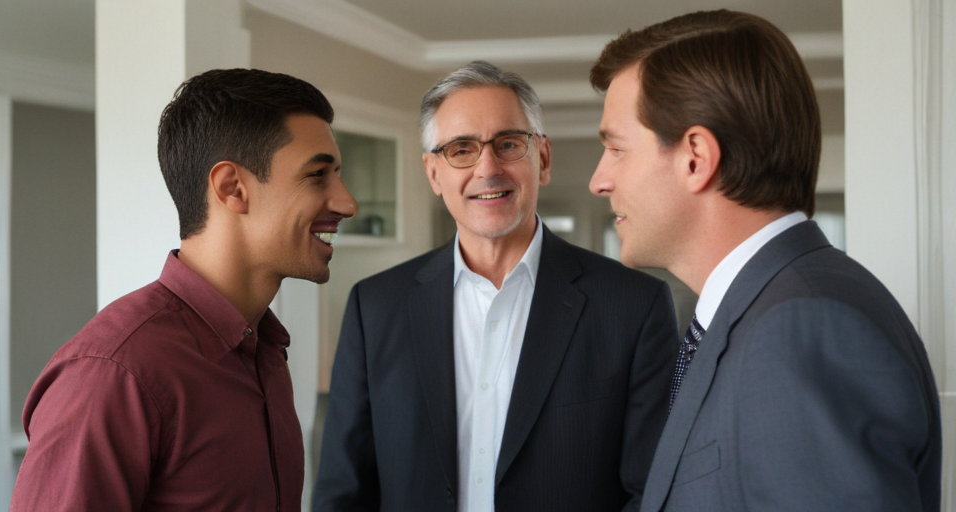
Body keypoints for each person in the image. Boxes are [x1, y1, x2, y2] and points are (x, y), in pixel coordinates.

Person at [588, 10, 942, 512]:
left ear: (695, 158)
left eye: (616, 149)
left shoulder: (801, 330)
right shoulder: (769, 310)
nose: (599, 181)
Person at [314, 61, 679, 512]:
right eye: (461, 149)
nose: (488, 168)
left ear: (542, 159)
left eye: (508, 144)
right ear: (433, 173)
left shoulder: (633, 306)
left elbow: (652, 493)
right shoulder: (376, 308)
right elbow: (343, 493)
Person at [11, 68, 357, 511]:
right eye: (317, 176)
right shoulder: (114, 374)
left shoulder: (266, 352)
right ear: (232, 188)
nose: (347, 202)